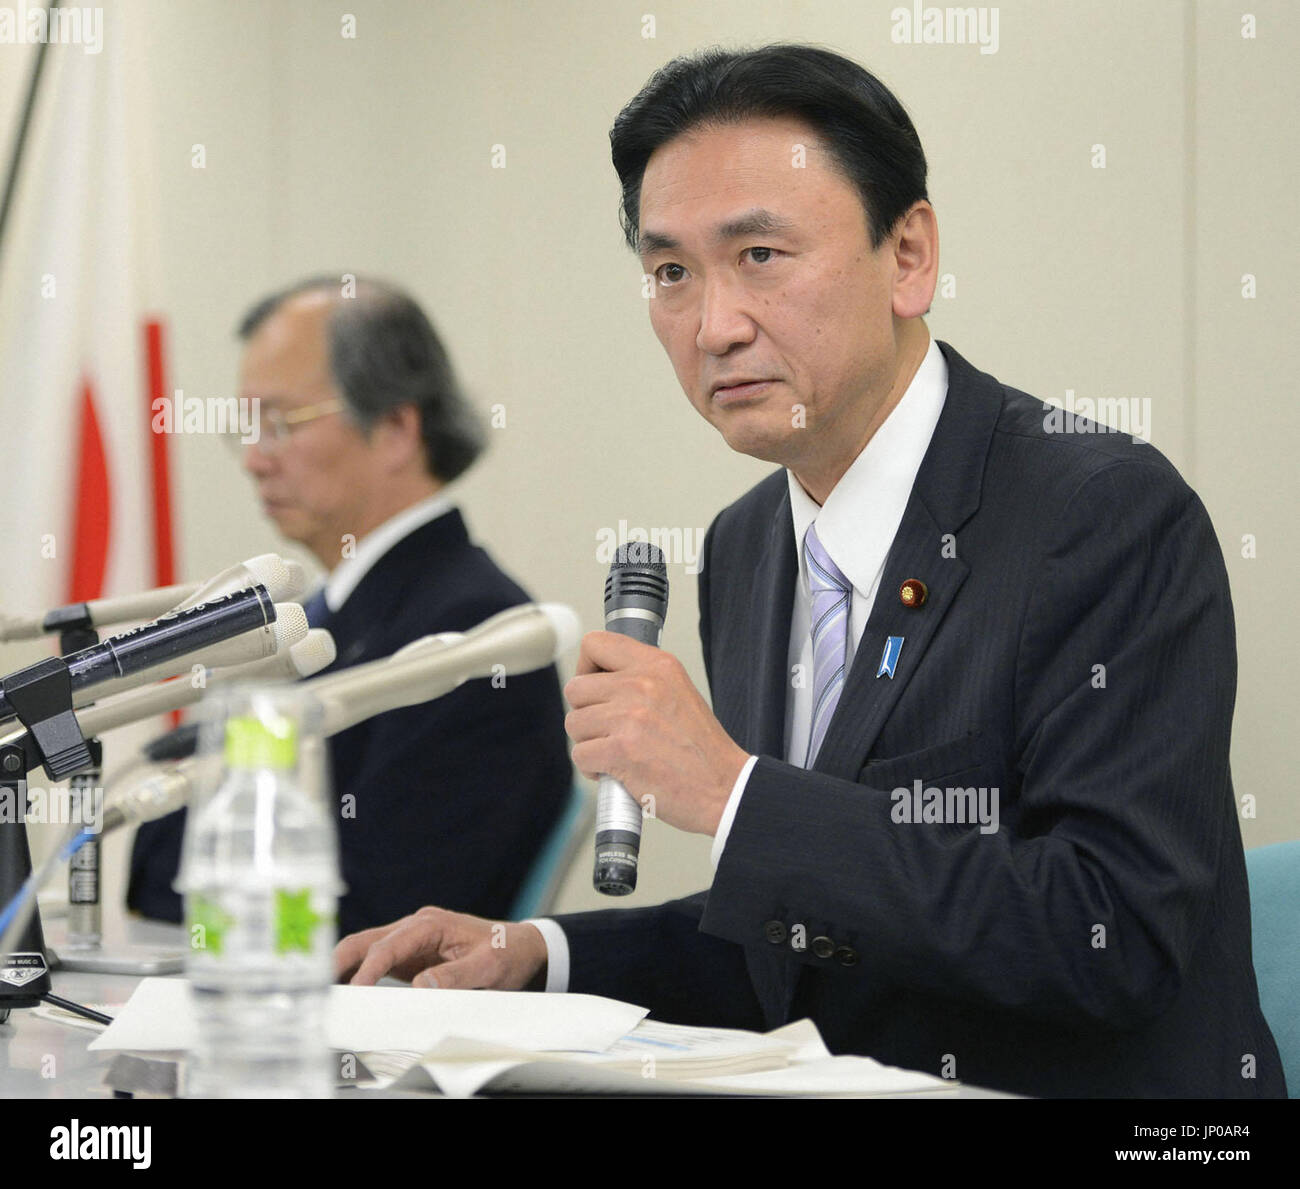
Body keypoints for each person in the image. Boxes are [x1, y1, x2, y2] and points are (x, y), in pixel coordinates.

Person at [334, 47, 1285, 1098]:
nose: (713, 326)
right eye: (670, 273)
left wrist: (733, 794)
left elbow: (1105, 932)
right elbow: (808, 943)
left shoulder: (1100, 512)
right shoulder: (745, 548)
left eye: (760, 256)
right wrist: (538, 956)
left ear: (909, 255)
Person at [128, 277, 573, 936]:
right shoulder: (318, 617)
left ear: (396, 427)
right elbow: (157, 857)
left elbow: (388, 913)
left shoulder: (473, 629)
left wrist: (220, 880)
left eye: (279, 423)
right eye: (246, 428)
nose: (254, 459)